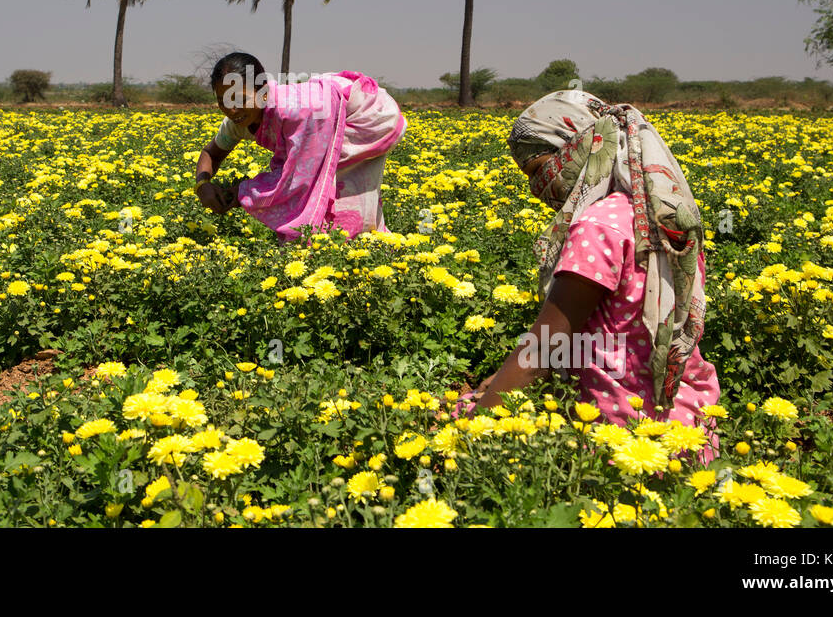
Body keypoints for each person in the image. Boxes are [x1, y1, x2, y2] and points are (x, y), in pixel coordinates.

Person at [458, 90, 721, 462]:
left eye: (539, 170)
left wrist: (477, 429)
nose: (538, 188)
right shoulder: (660, 214)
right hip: (688, 426)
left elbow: (546, 346)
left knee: (454, 420)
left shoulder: (597, 226)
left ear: (582, 148)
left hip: (618, 439)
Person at [194, 52, 406, 241]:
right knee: (321, 191)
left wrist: (241, 193)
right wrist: (202, 185)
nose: (231, 110)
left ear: (263, 92)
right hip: (325, 117)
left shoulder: (295, 112)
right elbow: (210, 153)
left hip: (366, 119)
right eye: (223, 101)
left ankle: (361, 250)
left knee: (331, 190)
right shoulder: (238, 121)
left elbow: (298, 179)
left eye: (240, 99)